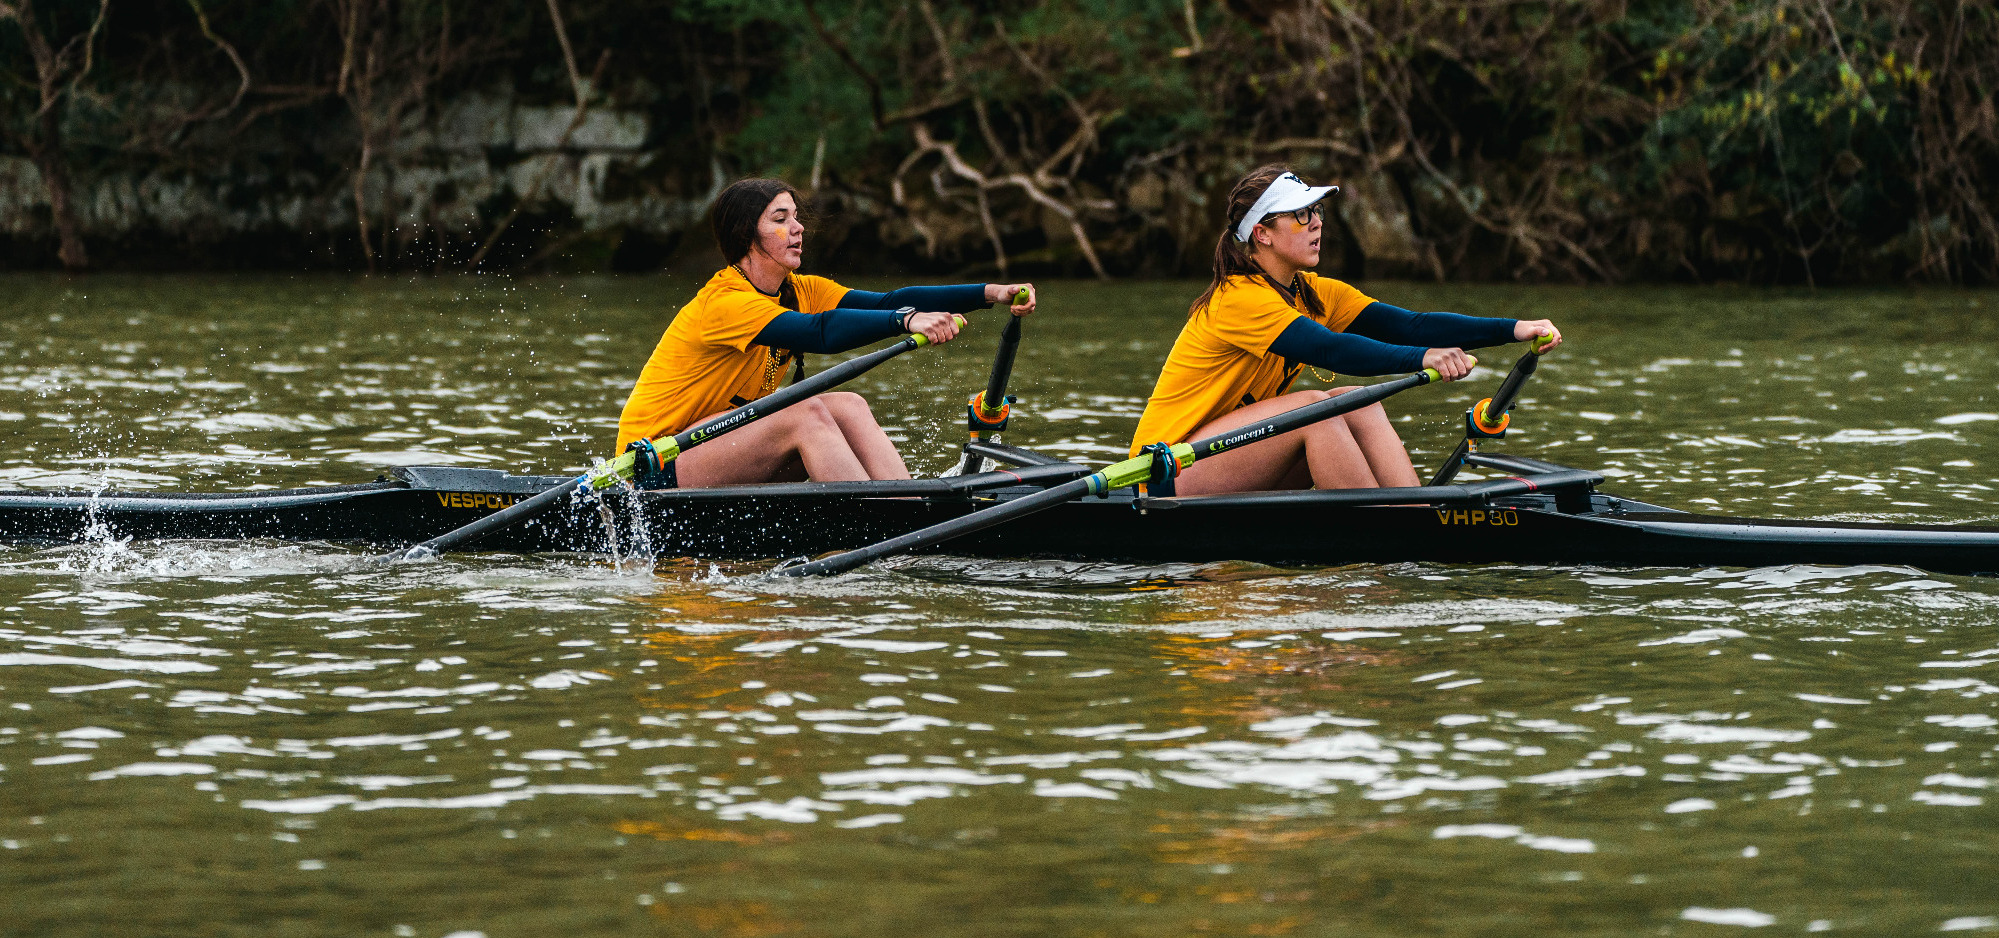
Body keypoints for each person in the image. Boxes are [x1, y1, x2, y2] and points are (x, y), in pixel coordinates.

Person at [1128, 164, 1561, 495]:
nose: (1317, 222)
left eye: (1315, 210)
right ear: (1262, 234)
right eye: (1299, 215)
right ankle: (1384, 531)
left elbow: (1410, 326)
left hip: (1236, 454)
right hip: (1165, 474)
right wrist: (1423, 359)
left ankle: (1416, 512)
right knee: (1317, 411)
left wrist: (1516, 328)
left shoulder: (1312, 293)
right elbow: (1331, 351)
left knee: (1357, 403)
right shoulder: (1238, 298)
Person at [617, 178, 1035, 488]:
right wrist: (905, 322)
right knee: (806, 414)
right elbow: (818, 333)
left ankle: (905, 505)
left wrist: (991, 293)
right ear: (746, 236)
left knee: (848, 405)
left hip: (713, 442)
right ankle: (873, 522)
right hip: (651, 467)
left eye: (796, 218)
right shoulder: (724, 303)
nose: (798, 228)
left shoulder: (800, 290)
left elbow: (889, 301)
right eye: (781, 219)